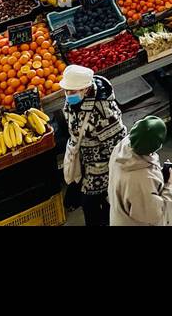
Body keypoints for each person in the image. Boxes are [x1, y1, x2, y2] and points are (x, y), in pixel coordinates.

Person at [60, 64, 127, 228]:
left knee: (90, 203)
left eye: (72, 91)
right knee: (95, 201)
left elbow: (117, 142)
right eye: (67, 90)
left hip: (101, 165)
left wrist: (115, 171)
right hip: (84, 160)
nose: (68, 95)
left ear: (86, 88)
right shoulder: (74, 101)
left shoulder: (102, 111)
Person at [108, 115, 172, 226]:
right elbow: (154, 214)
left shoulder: (120, 148)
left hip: (118, 216)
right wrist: (169, 185)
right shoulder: (143, 179)